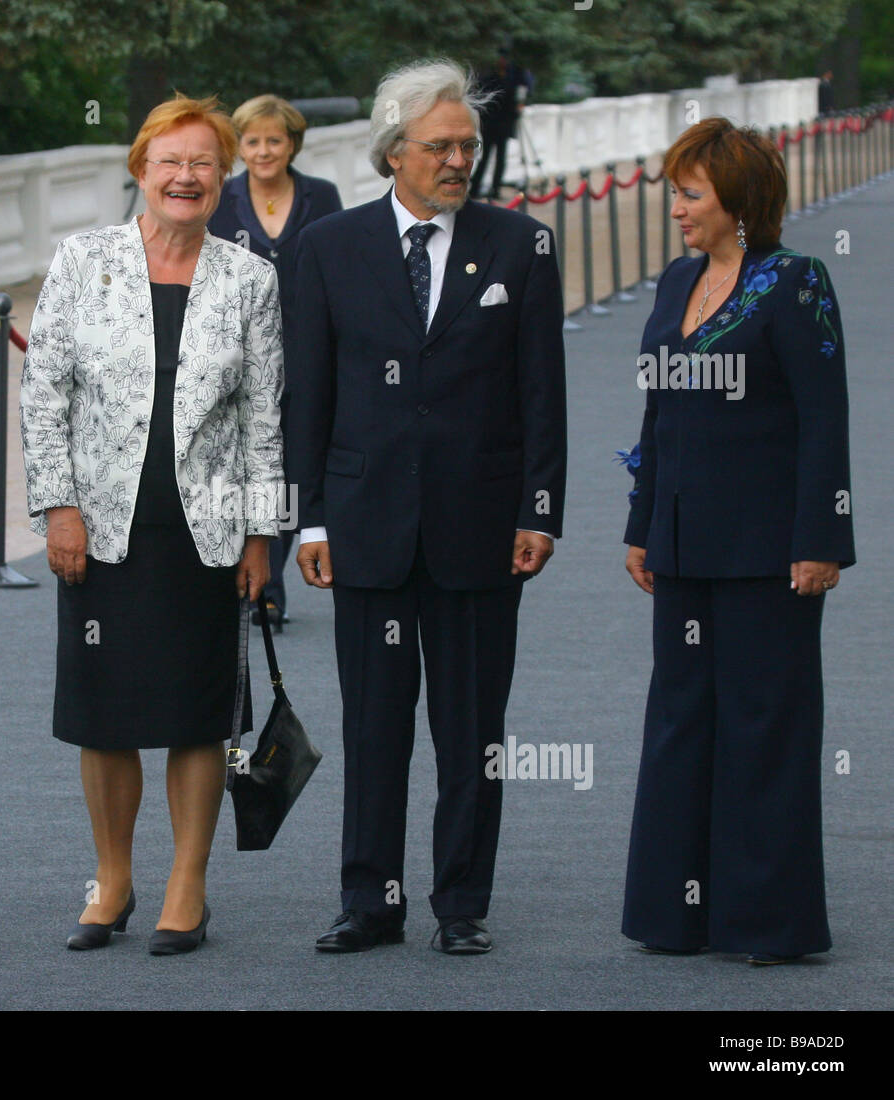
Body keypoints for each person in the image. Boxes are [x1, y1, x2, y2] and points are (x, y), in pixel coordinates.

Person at [289, 59, 566, 955]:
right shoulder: (328, 249)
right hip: (365, 527)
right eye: (440, 146)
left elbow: (541, 396)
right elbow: (310, 396)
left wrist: (541, 510)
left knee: (471, 733)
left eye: (468, 146)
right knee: (374, 728)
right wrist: (313, 517)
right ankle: (370, 901)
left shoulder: (520, 246)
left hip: (481, 530)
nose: (459, 161)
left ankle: (460, 905)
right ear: (391, 152)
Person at [21, 94, 283, 956]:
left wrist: (262, 535)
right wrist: (57, 505)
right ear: (140, 170)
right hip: (99, 532)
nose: (186, 177)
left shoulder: (250, 279)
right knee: (104, 713)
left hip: (204, 536)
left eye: (203, 162)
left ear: (224, 175)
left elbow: (264, 419)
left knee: (197, 713)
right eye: (169, 161)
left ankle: (186, 883)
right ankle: (114, 878)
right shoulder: (83, 260)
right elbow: (44, 391)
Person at [621, 117, 854, 964]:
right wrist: (642, 525)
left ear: (739, 199)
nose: (677, 208)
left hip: (771, 552)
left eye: (690, 193)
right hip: (681, 546)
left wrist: (822, 539)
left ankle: (769, 923)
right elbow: (656, 411)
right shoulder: (674, 281)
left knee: (765, 727)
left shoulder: (797, 282)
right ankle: (675, 914)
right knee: (680, 723)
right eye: (675, 192)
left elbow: (826, 418)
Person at [208, 94, 342, 631]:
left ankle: (271, 584)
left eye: (274, 140)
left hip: (307, 353)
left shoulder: (322, 196)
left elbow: (342, 272)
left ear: (293, 144)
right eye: (253, 140)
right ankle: (239, 572)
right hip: (235, 355)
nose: (263, 151)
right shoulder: (222, 197)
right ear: (239, 146)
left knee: (289, 466)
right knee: (240, 462)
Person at [471, 48, 531, 201]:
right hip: (490, 122)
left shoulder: (514, 74)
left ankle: (495, 188)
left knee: (500, 157)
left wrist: (519, 104)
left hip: (505, 121)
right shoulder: (489, 75)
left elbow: (523, 89)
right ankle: (475, 187)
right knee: (485, 157)